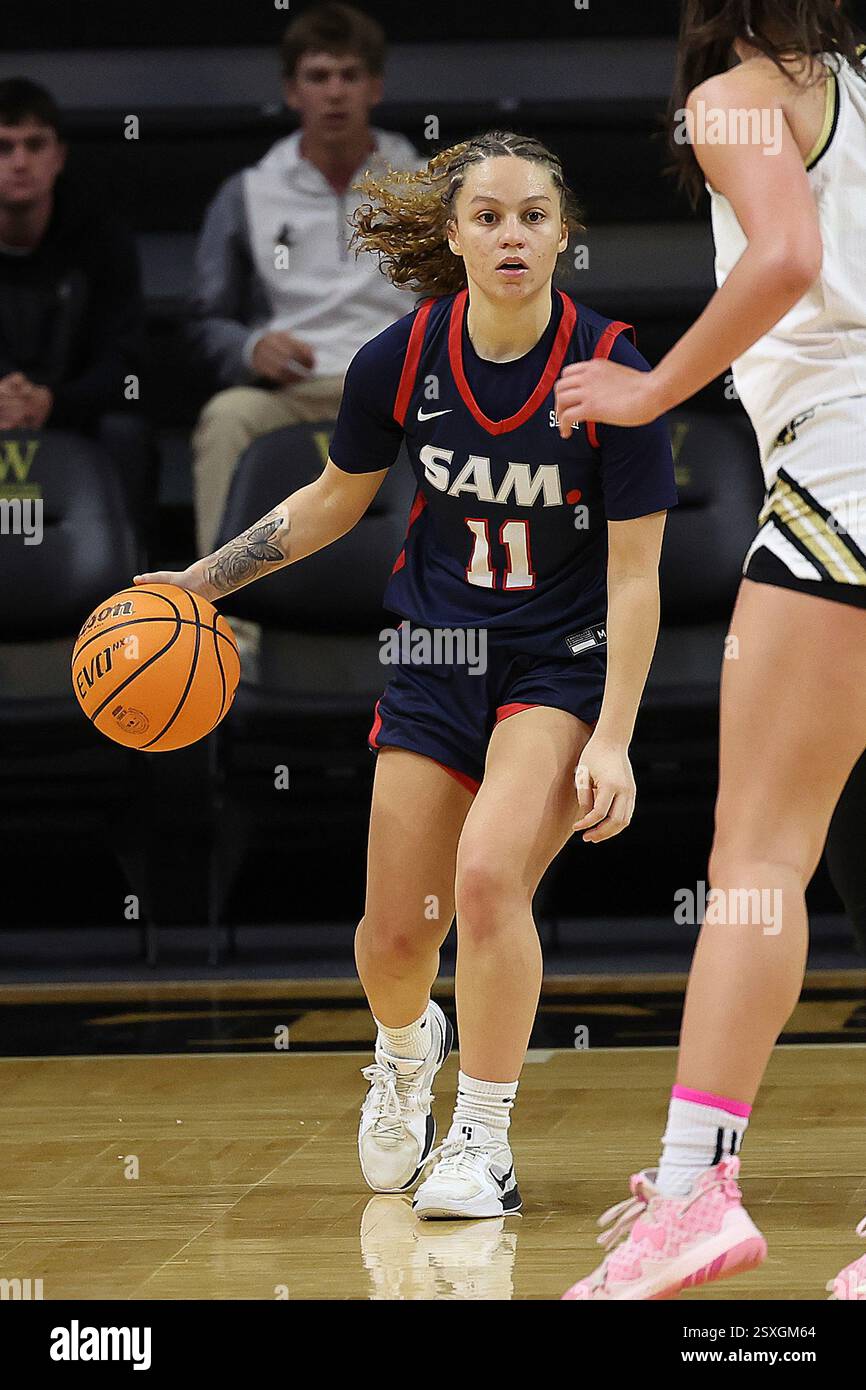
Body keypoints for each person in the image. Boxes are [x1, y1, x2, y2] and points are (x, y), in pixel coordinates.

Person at [135, 129, 677, 1220]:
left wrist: (613, 735)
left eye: (532, 214)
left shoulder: (612, 374)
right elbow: (335, 500)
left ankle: (482, 1137)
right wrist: (200, 581)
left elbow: (633, 579)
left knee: (486, 880)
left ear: (562, 234)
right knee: (392, 941)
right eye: (487, 216)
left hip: (557, 667)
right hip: (435, 658)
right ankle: (404, 1047)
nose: (511, 233)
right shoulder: (405, 355)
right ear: (453, 234)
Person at [555, 0, 866, 1301]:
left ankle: (691, 1190)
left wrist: (645, 389)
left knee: (754, 857)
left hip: (845, 470)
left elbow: (783, 256)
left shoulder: (740, 89)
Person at [188, 1, 420, 557]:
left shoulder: (422, 184)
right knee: (225, 419)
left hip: (401, 386)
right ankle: (221, 615)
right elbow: (204, 319)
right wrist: (249, 348)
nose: (335, 92)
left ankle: (464, 612)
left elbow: (466, 297)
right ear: (293, 92)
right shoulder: (248, 191)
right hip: (296, 387)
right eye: (318, 77)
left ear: (376, 88)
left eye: (350, 75)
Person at [0, 78, 151, 533]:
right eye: (4, 148)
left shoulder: (102, 241)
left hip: (74, 415)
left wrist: (52, 402)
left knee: (125, 432)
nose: (20, 162)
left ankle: (132, 588)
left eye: (34, 145)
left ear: (59, 156)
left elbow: (126, 366)